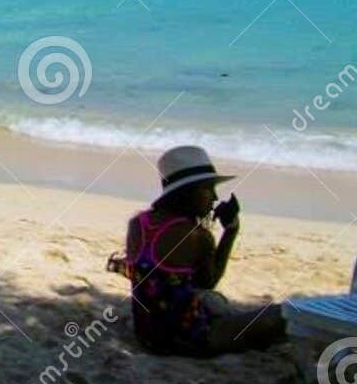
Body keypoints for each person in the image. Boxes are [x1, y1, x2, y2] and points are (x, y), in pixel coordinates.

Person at [111, 145, 286, 356]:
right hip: (189, 339)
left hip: (146, 335)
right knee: (281, 315)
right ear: (187, 193)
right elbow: (209, 281)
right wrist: (231, 231)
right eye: (208, 189)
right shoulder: (196, 236)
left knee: (213, 302)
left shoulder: (137, 224)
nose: (214, 197)